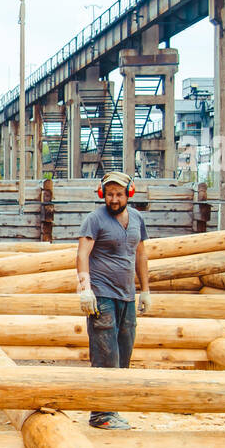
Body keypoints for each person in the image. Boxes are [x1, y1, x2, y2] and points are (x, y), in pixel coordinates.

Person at [75, 170, 151, 429]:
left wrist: (146, 290)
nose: (114, 199)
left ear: (129, 193)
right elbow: (82, 253)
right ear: (102, 195)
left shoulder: (138, 219)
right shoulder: (94, 219)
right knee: (105, 354)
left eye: (119, 194)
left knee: (123, 353)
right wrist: (85, 286)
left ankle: (112, 407)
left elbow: (141, 255)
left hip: (127, 296)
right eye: (109, 195)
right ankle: (100, 414)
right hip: (102, 296)